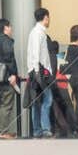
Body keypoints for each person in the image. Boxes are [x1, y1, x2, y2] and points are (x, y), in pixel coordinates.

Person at [24, 8, 54, 139]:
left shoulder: (35, 32)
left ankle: (37, 130)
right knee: (47, 99)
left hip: (35, 70)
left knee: (36, 101)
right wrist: (37, 72)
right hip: (40, 72)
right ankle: (45, 128)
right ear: (46, 18)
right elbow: (36, 53)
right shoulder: (38, 33)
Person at [0, 18, 19, 138]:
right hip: (6, 77)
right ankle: (2, 131)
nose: (11, 29)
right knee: (7, 103)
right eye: (10, 26)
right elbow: (9, 58)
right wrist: (13, 74)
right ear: (5, 28)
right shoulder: (6, 41)